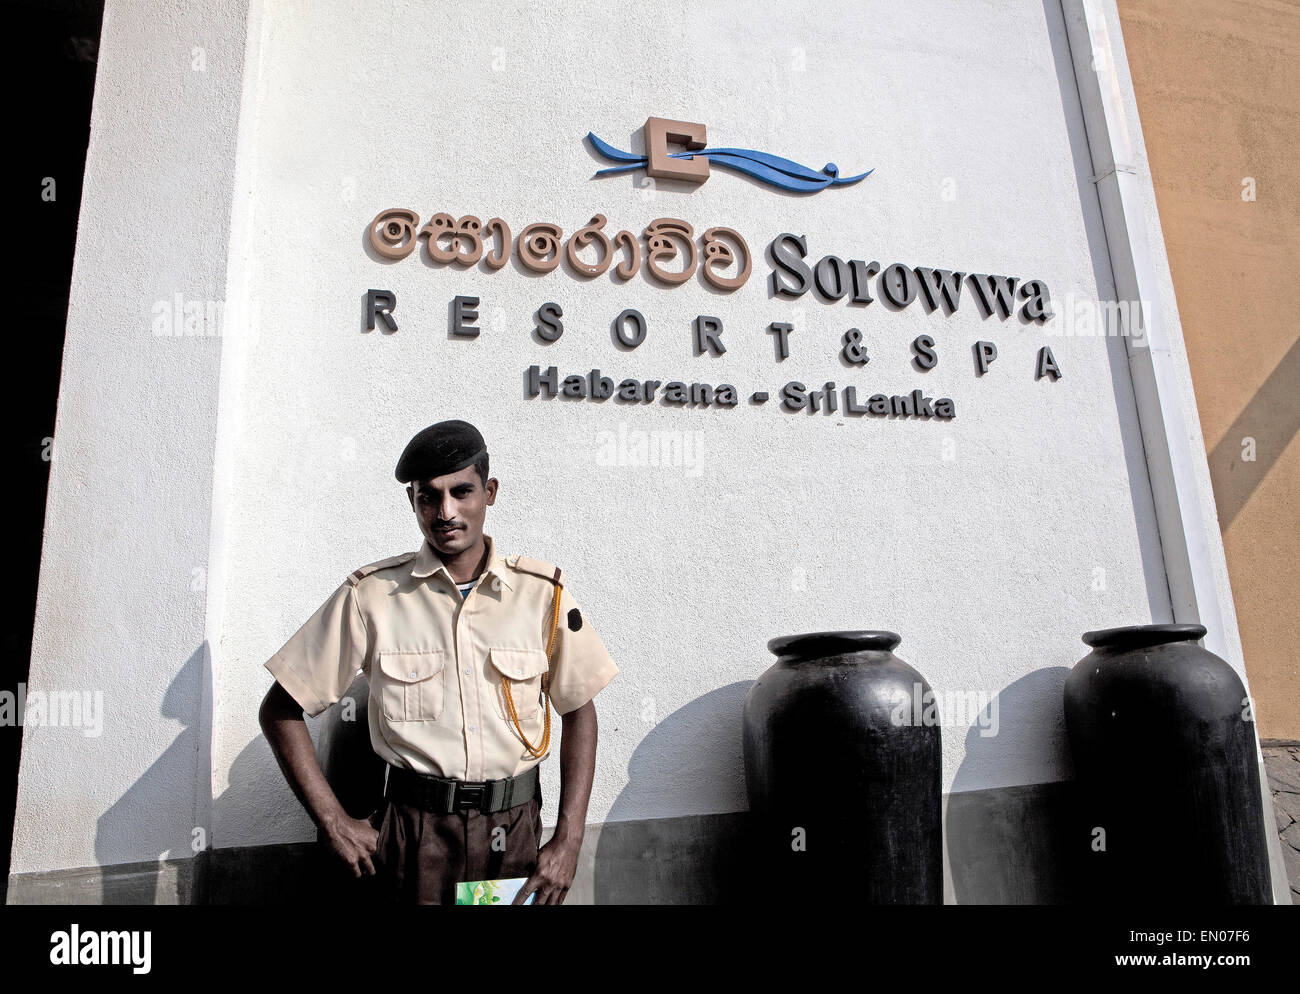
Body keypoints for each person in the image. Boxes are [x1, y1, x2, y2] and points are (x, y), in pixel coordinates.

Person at [258, 419, 618, 904]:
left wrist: (569, 838)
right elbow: (280, 708)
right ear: (413, 502)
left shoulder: (540, 597)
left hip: (510, 833)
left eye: (461, 491)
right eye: (428, 496)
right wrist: (333, 822)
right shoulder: (374, 597)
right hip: (415, 835)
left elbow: (579, 709)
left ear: (489, 492)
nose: (445, 511)